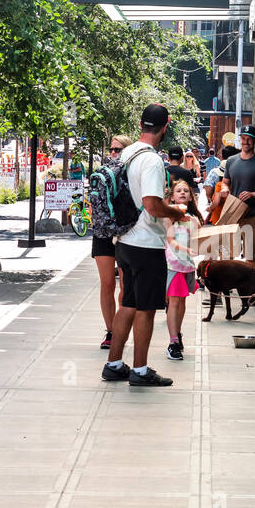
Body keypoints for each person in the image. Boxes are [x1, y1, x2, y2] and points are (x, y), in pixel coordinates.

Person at [102, 103, 185, 388]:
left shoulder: (126, 153)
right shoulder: (151, 160)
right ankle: (139, 370)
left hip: (124, 240)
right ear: (166, 125)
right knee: (146, 309)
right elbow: (151, 204)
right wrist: (176, 212)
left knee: (128, 302)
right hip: (146, 244)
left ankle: (114, 364)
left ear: (140, 123)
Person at [93, 134, 128, 350]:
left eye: (118, 150)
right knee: (107, 284)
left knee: (125, 285)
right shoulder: (102, 174)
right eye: (112, 150)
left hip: (125, 233)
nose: (114, 153)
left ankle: (120, 328)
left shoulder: (131, 173)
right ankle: (111, 331)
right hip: (104, 233)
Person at [165, 178, 202, 360]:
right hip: (173, 264)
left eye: (186, 191)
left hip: (188, 266)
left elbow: (199, 240)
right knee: (174, 302)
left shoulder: (194, 219)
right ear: (172, 197)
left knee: (182, 303)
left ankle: (177, 334)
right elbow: (170, 239)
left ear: (190, 197)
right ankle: (172, 342)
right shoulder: (169, 217)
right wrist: (187, 249)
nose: (182, 193)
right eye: (178, 190)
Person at [221, 124, 255, 221]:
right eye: (243, 138)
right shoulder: (231, 161)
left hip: (253, 216)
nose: (246, 142)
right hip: (233, 214)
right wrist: (225, 189)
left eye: (249, 139)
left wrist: (253, 194)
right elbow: (225, 182)